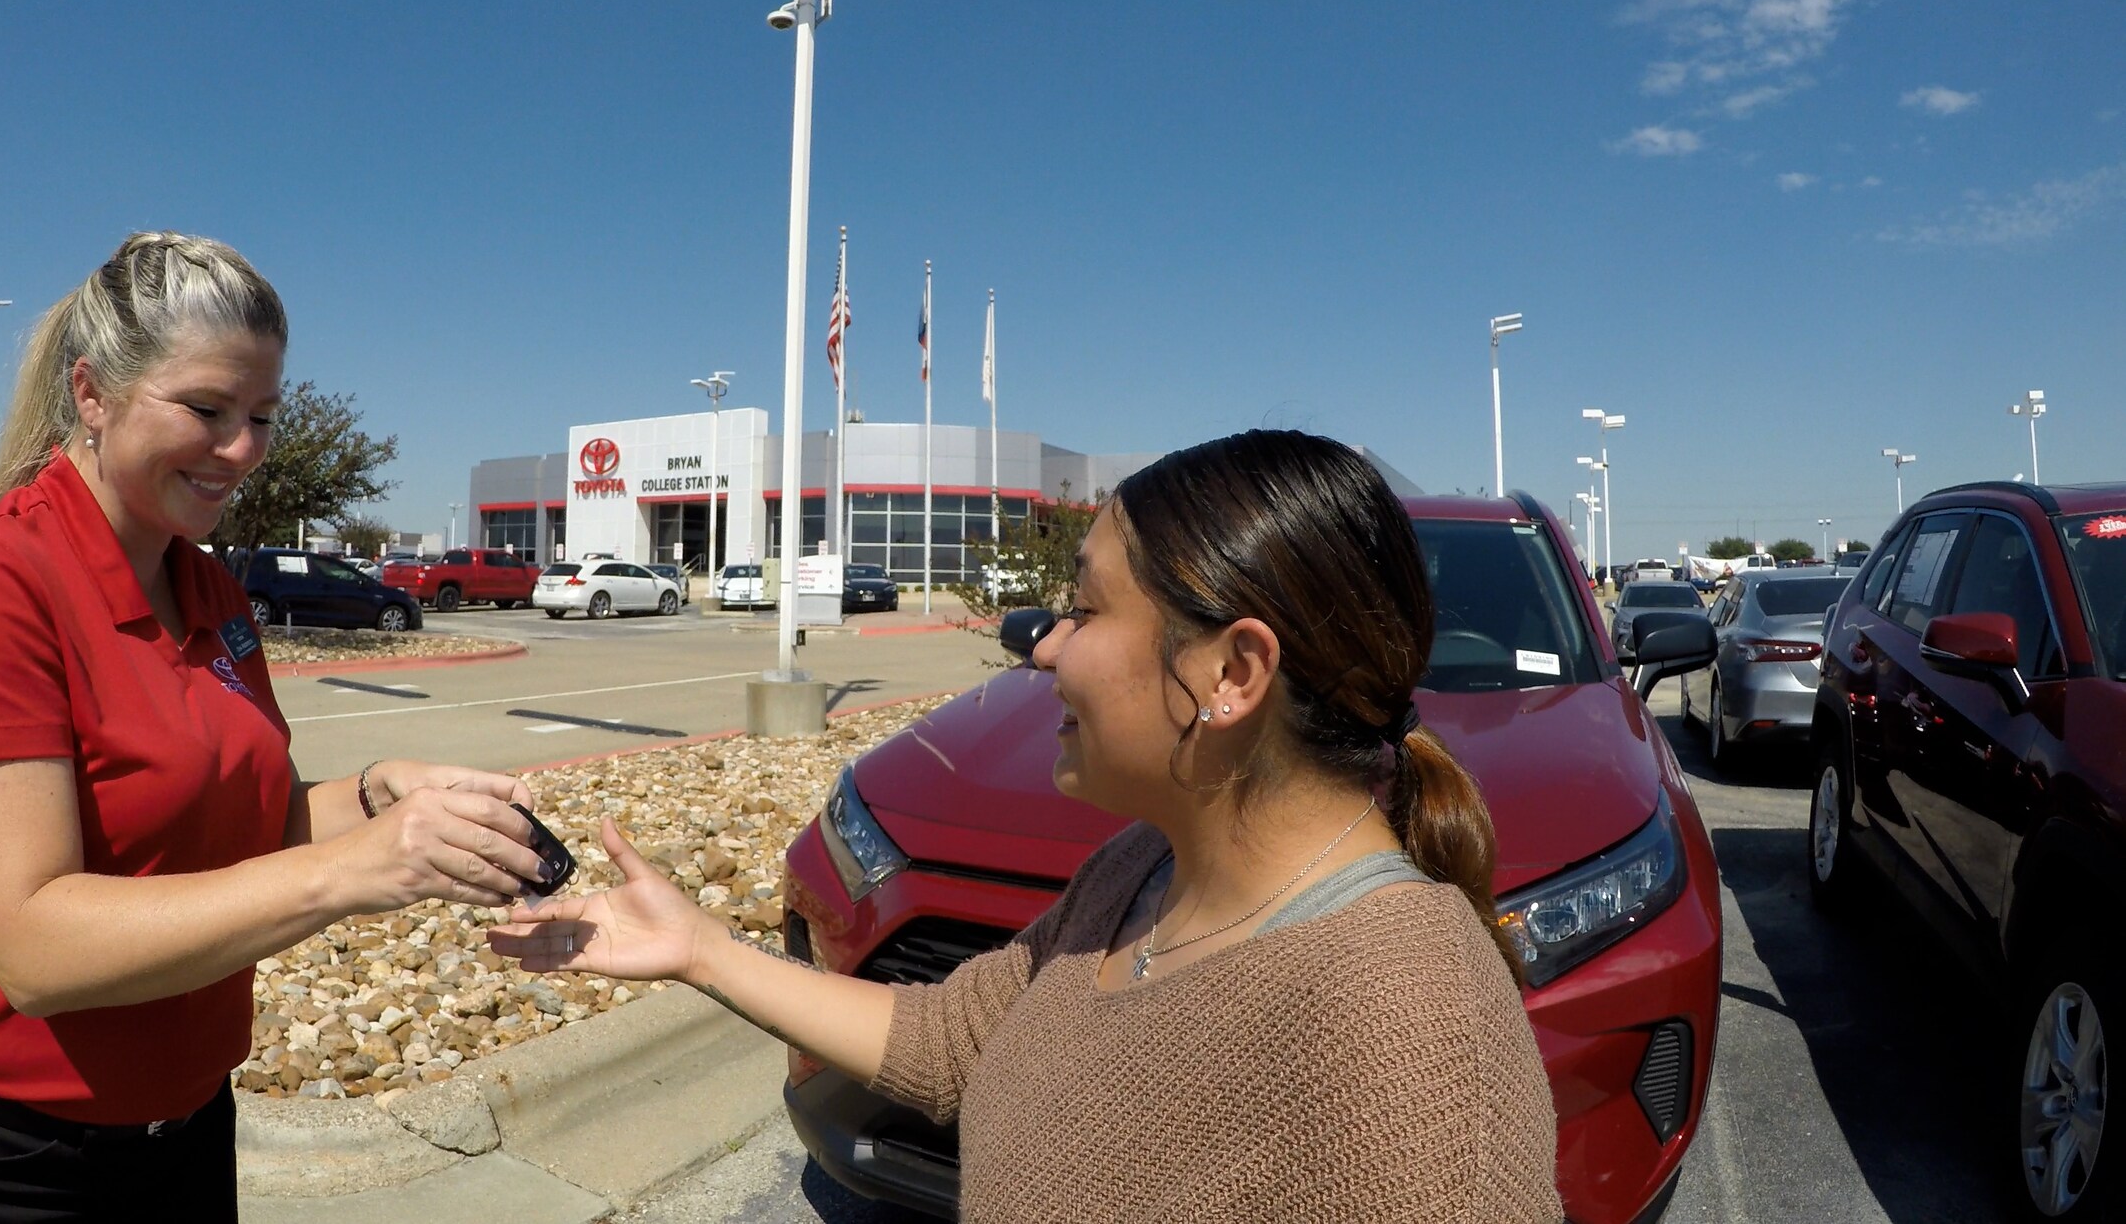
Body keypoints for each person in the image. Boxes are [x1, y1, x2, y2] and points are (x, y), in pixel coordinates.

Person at [495, 429, 1562, 1222]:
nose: (1042, 646)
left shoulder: (1418, 1041)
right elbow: (947, 1042)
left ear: (1232, 672)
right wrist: (700, 950)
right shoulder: (1139, 869)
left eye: (1087, 608)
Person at [0, 233, 554, 1223]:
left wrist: (373, 796)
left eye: (263, 415)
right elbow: (31, 943)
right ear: (92, 394)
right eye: (208, 410)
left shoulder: (207, 584)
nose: (244, 448)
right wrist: (352, 870)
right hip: (3, 1150)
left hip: (181, 1126)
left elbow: (247, 824)